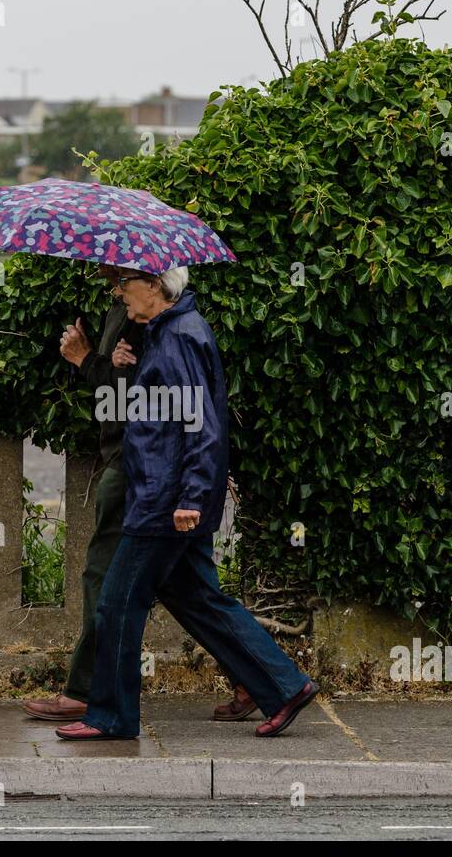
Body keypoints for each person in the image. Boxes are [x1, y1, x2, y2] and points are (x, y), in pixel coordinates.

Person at [56, 267, 319, 741]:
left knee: (117, 603)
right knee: (198, 598)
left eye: (126, 284)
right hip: (167, 494)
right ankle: (284, 686)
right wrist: (125, 367)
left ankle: (112, 717)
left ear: (155, 285)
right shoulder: (168, 330)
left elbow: (202, 425)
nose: (119, 292)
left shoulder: (177, 336)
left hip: (165, 502)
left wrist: (191, 498)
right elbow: (161, 408)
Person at [21, 263, 257, 723]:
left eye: (118, 274)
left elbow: (142, 397)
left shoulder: (147, 315)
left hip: (139, 469)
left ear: (146, 279)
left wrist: (85, 360)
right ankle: (258, 678)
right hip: (150, 469)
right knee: (194, 589)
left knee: (104, 580)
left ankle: (89, 691)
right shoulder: (127, 305)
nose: (104, 274)